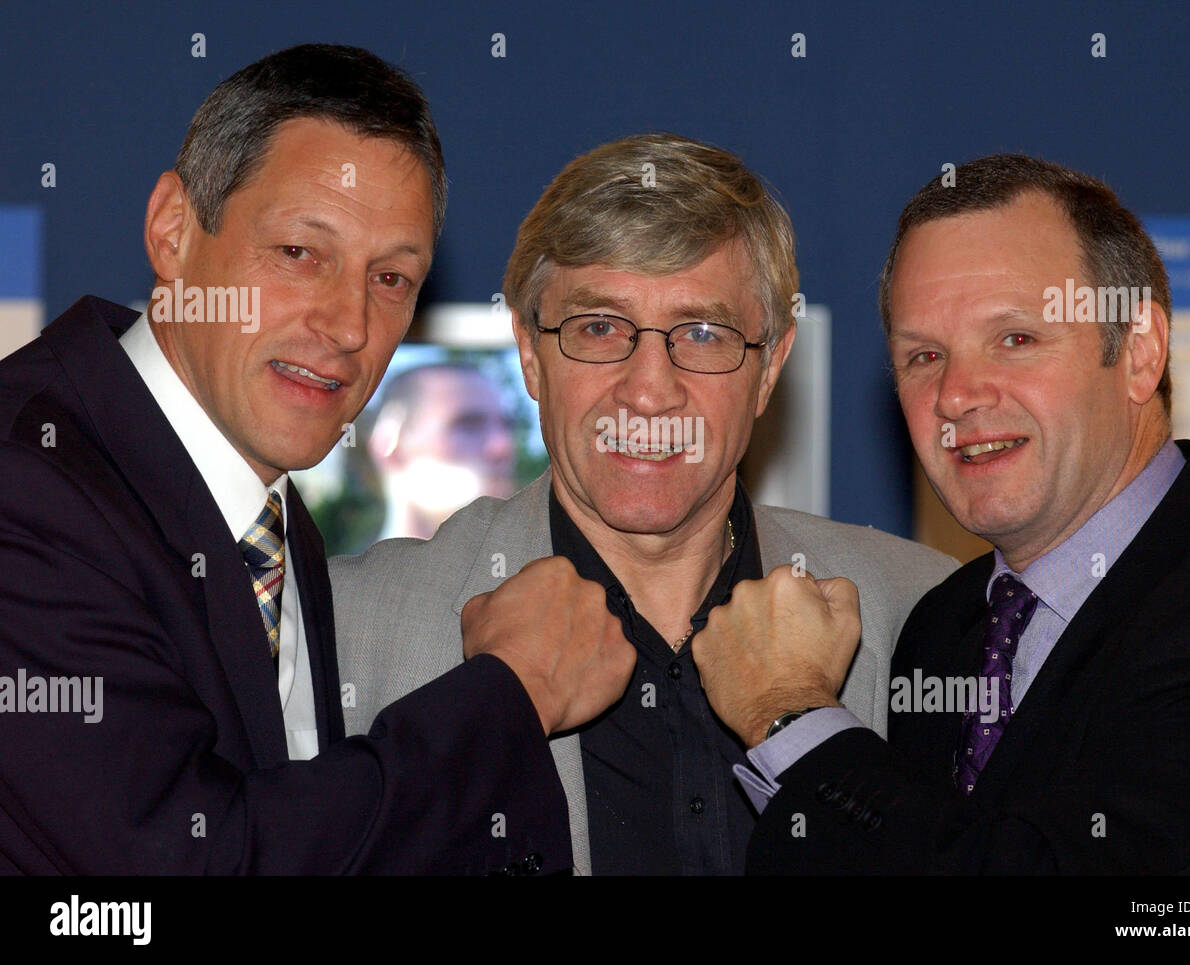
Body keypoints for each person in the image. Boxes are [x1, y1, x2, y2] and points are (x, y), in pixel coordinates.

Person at [0, 43, 632, 875]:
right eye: (301, 253)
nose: (347, 325)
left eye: (392, 278)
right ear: (173, 231)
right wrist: (509, 692)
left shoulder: (262, 508)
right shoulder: (29, 481)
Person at [331, 132, 956, 875]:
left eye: (701, 331)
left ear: (770, 365)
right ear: (530, 354)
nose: (650, 389)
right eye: (599, 328)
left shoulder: (930, 617)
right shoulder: (349, 630)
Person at [693, 154, 1190, 873]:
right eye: (924, 356)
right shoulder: (943, 625)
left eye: (1015, 339)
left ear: (1139, 351)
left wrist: (790, 713)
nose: (958, 394)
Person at [368, 363, 518, 539]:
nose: (502, 447)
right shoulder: (337, 566)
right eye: (468, 425)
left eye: (506, 426)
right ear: (390, 446)